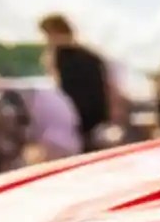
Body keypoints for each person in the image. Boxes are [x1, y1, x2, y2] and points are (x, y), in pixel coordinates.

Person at [38, 13, 126, 151]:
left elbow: (59, 88)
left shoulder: (59, 56)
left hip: (76, 120)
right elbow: (110, 88)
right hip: (96, 119)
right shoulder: (93, 56)